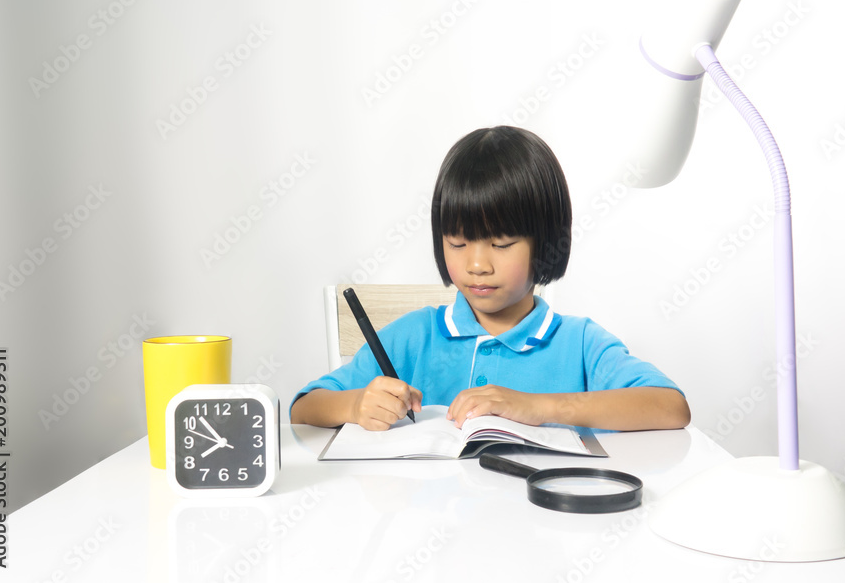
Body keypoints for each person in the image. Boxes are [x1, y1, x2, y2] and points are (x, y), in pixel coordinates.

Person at [290, 126, 690, 432]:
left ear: (546, 242)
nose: (477, 265)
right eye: (458, 243)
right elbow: (304, 407)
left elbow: (670, 407)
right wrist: (356, 405)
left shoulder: (579, 343)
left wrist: (538, 406)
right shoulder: (413, 337)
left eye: (501, 243)